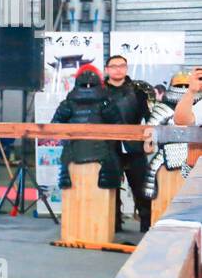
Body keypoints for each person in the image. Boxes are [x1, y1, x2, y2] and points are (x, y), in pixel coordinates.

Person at [102, 54, 155, 233]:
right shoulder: (98, 91)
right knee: (110, 187)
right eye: (114, 66)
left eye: (122, 65)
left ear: (126, 68)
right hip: (108, 147)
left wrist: (149, 140)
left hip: (134, 146)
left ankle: (147, 223)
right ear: (107, 69)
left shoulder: (140, 90)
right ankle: (113, 224)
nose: (118, 69)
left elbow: (151, 118)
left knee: (142, 187)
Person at [50, 63, 122, 194]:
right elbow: (120, 128)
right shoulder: (106, 104)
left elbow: (54, 127)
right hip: (104, 156)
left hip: (72, 155)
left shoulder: (67, 104)